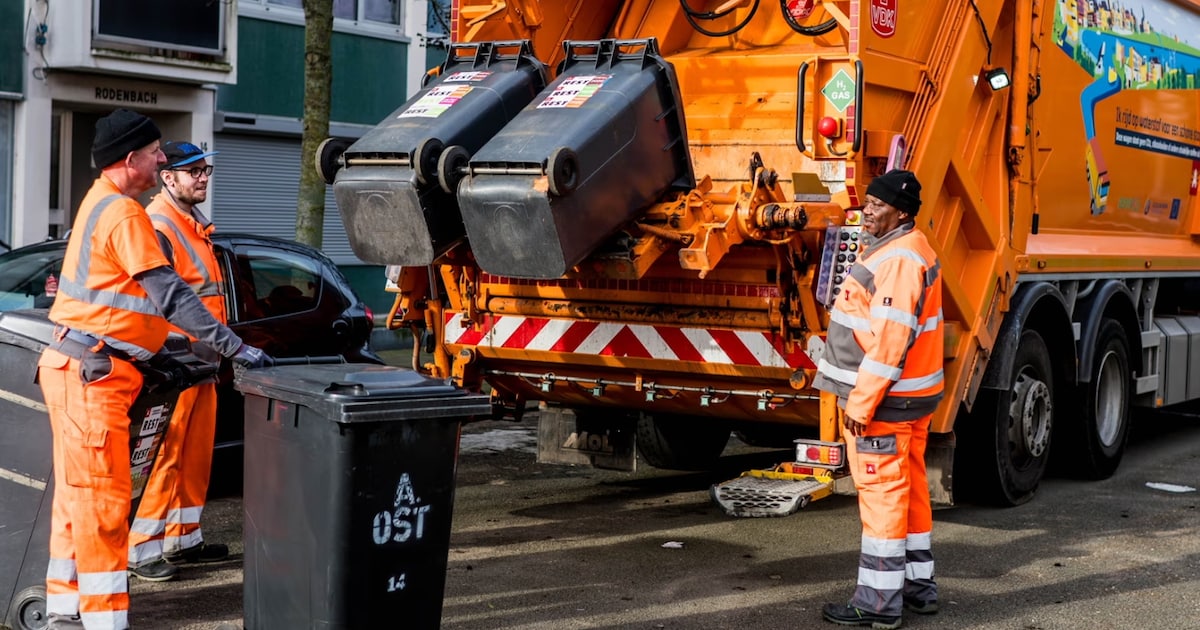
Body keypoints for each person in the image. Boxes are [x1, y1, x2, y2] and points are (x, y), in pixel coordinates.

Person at [38, 108, 272, 630]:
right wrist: (236, 348)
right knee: (103, 499)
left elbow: (123, 303)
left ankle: (63, 611)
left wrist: (156, 354)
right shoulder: (124, 214)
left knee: (79, 497)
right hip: (92, 373)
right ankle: (104, 621)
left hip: (83, 364)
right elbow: (170, 295)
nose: (162, 159)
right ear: (132, 159)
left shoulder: (101, 203)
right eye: (156, 153)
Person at [813, 169, 944, 629]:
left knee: (882, 498)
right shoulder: (905, 249)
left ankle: (877, 604)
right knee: (907, 494)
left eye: (876, 204)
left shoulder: (899, 260)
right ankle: (917, 588)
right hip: (908, 398)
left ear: (901, 212)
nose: (865, 210)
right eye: (865, 201)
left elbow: (890, 341)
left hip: (884, 404)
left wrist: (861, 403)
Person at [126, 141, 229, 582]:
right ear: (168, 178)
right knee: (165, 455)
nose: (202, 178)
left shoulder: (190, 223)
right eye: (193, 172)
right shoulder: (160, 226)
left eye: (205, 170)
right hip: (178, 363)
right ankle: (140, 549)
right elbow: (162, 300)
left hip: (202, 362)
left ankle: (183, 539)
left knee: (194, 455)